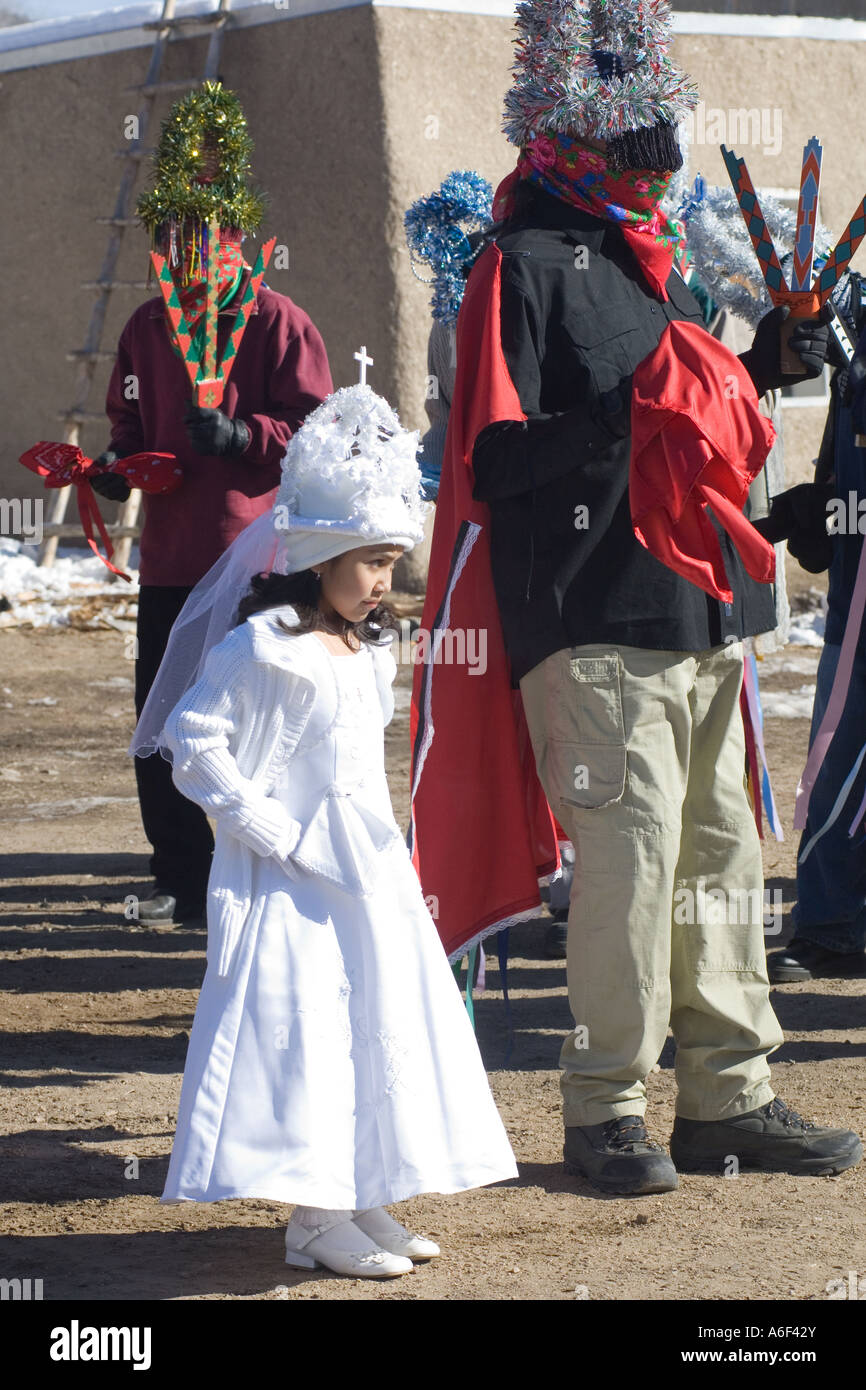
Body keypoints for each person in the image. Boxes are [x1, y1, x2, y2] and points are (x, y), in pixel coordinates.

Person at [411, 0, 861, 1194]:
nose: (655, 181)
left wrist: (769, 359)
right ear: (572, 144)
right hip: (592, 626)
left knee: (719, 856)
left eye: (662, 157)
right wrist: (621, 419)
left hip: (701, 615)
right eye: (634, 157)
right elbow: (493, 464)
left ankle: (729, 1095)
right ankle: (603, 1108)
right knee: (629, 866)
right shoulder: (521, 268)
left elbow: (692, 420)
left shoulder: (647, 263)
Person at [128, 383, 518, 1278]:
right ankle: (313, 1212)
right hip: (293, 879)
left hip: (365, 869)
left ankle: (360, 1191)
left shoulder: (367, 642)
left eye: (390, 562)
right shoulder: (263, 644)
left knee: (378, 1019)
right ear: (315, 556)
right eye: (368, 561)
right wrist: (264, 826)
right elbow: (193, 740)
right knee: (307, 1028)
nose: (383, 580)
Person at [91, 83, 333, 928]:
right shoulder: (145, 328)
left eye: (200, 249)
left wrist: (244, 436)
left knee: (258, 721)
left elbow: (315, 427)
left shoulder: (277, 322)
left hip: (257, 558)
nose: (184, 268)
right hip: (169, 559)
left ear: (234, 246)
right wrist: (119, 468)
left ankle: (263, 867)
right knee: (162, 721)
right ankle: (180, 876)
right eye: (167, 249)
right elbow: (126, 419)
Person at [763, 270, 866, 982]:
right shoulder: (857, 316)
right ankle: (831, 921)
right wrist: (823, 504)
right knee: (837, 743)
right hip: (858, 583)